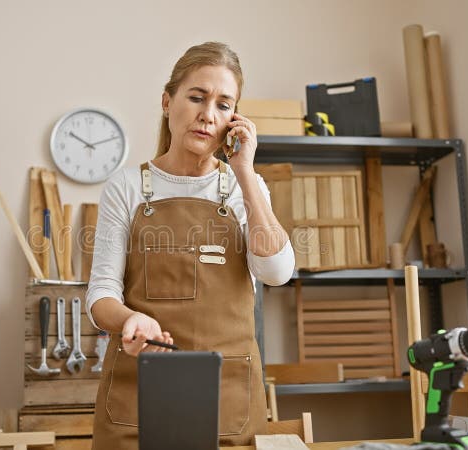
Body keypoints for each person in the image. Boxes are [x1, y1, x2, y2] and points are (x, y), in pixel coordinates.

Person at [87, 41, 295, 449]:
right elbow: (100, 297)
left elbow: (276, 273)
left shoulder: (243, 187)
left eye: (223, 104)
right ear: (167, 102)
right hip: (138, 390)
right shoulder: (127, 187)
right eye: (196, 97)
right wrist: (130, 319)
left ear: (234, 118)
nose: (207, 115)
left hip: (227, 393)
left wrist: (245, 174)